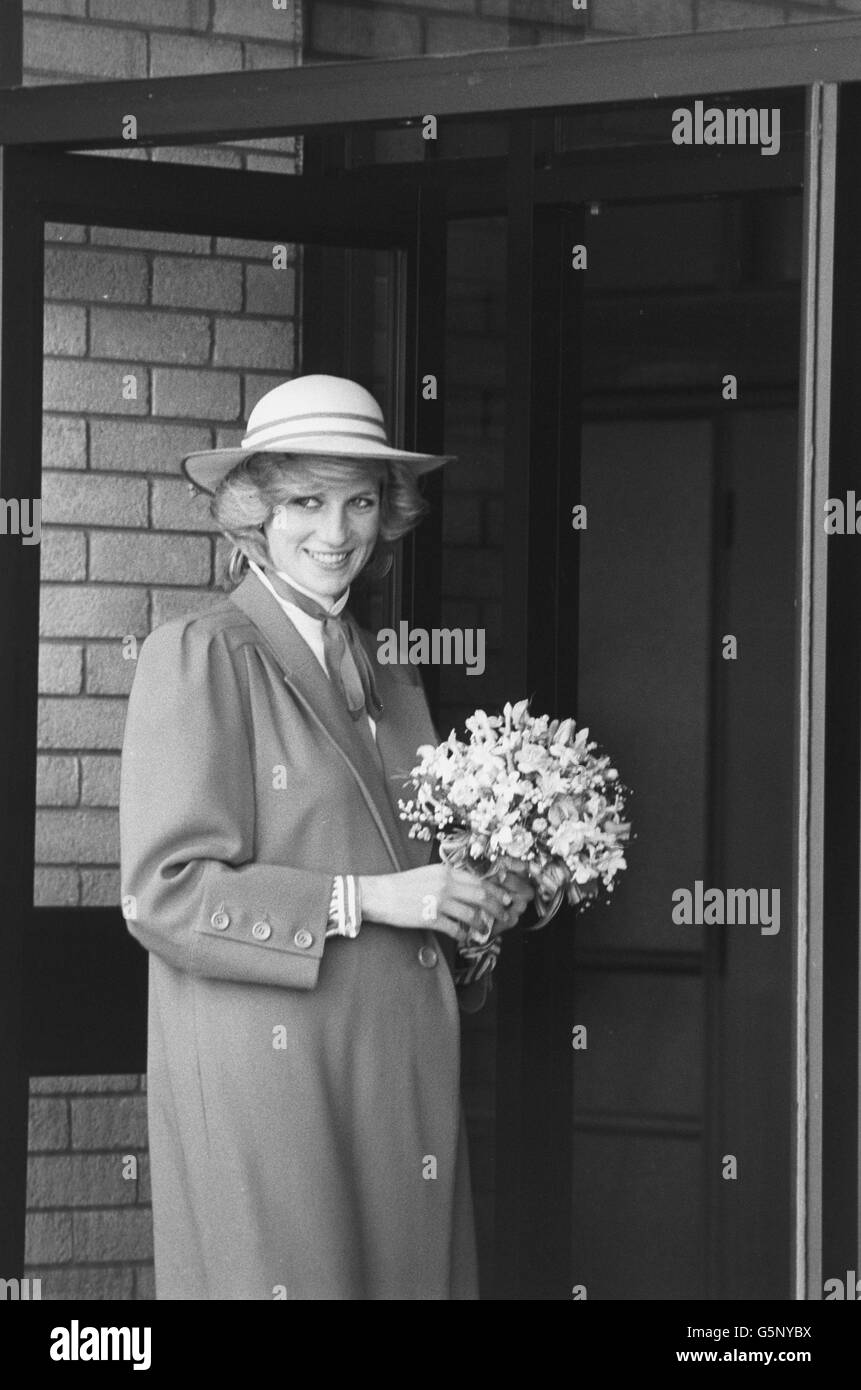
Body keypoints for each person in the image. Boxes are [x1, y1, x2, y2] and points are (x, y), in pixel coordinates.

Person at [119, 374, 534, 1300]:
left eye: (359, 502)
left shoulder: (388, 674)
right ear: (252, 513)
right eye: (306, 501)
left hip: (394, 1074)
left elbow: (408, 877)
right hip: (276, 1081)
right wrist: (369, 897)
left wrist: (470, 910)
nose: (336, 532)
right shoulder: (200, 651)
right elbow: (166, 893)